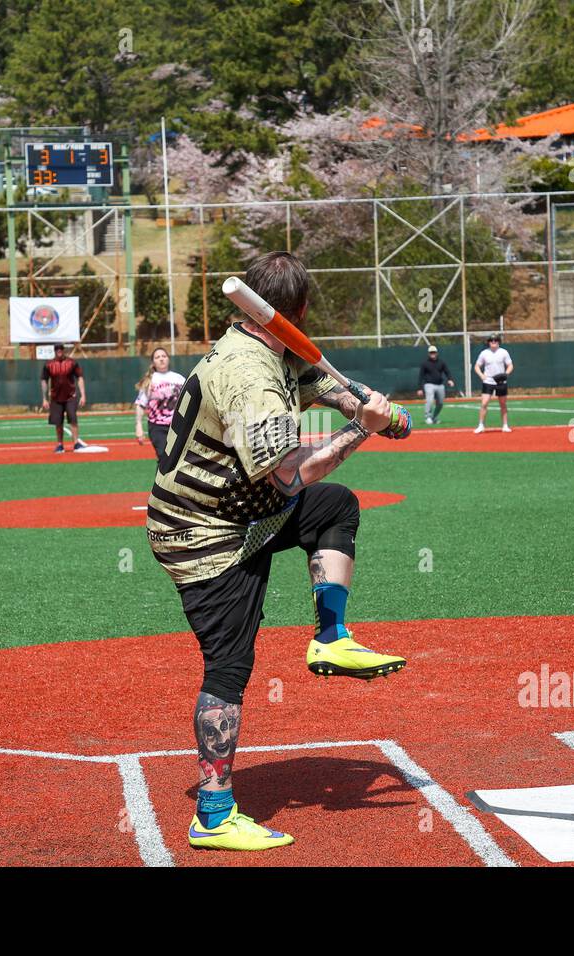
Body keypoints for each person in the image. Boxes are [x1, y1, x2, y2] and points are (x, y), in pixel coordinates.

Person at [146, 251, 412, 852]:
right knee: (230, 670)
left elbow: (327, 387)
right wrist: (364, 429)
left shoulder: (278, 351)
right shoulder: (250, 374)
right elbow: (291, 479)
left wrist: (372, 408)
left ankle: (331, 634)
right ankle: (213, 814)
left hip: (246, 515)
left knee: (336, 506)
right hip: (203, 535)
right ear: (294, 312)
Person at [134, 347, 185, 468]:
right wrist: (138, 426)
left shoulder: (179, 378)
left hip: (178, 426)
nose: (161, 359)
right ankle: (160, 486)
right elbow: (140, 405)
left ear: (168, 359)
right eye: (157, 357)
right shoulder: (150, 381)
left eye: (164, 356)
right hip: (157, 427)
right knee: (163, 457)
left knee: (178, 460)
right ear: (153, 362)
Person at [40, 343, 87, 454]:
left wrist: (83, 395)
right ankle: (60, 445)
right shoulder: (49, 365)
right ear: (54, 351)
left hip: (70, 396)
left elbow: (79, 377)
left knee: (73, 419)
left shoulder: (72, 363)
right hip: (56, 398)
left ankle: (76, 443)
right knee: (58, 422)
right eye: (57, 349)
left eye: (61, 349)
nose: (59, 351)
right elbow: (44, 380)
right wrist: (44, 398)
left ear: (63, 350)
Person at [473, 334, 514, 433]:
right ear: (488, 342)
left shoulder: (503, 352)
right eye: (491, 340)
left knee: (503, 404)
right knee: (484, 403)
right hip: (488, 381)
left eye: (495, 340)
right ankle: (481, 425)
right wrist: (482, 375)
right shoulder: (484, 353)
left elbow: (510, 365)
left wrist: (506, 374)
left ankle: (505, 425)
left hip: (501, 382)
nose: (493, 342)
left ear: (498, 341)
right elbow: (477, 366)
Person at [417, 345, 455, 425]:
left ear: (436, 353)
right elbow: (421, 376)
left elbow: (447, 371)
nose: (432, 354)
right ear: (428, 353)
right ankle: (428, 417)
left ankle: (434, 417)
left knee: (440, 403)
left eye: (434, 352)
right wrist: (419, 388)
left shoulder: (441, 362)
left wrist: (450, 379)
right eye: (431, 352)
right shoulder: (425, 363)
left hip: (440, 385)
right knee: (429, 401)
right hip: (429, 385)